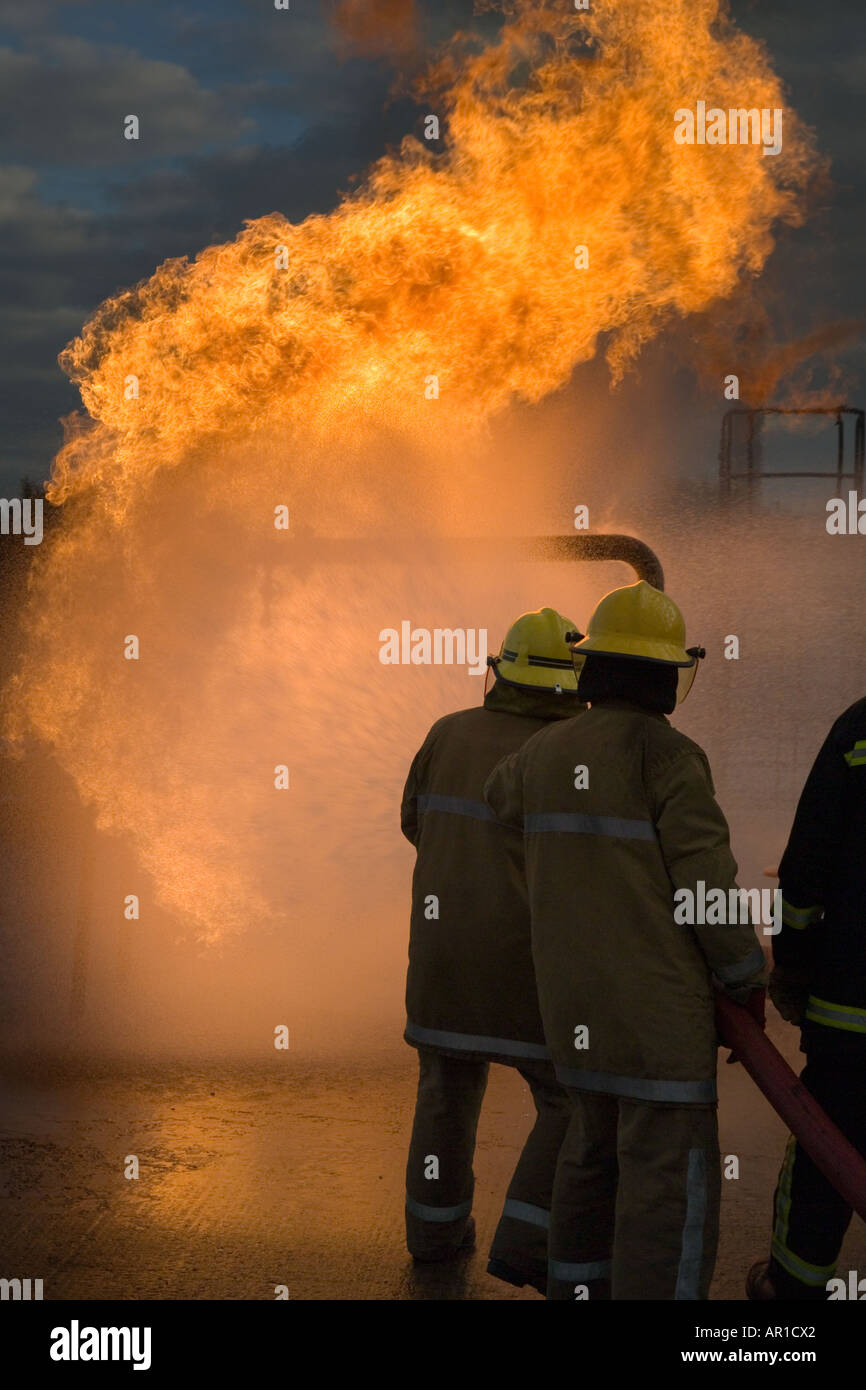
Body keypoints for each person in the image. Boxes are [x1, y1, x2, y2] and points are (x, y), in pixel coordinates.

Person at [484, 580, 767, 1300]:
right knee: (664, 1198)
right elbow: (706, 889)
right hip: (657, 1028)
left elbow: (498, 798)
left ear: (596, 668)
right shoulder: (670, 759)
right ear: (667, 677)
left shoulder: (540, 756)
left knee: (587, 1167)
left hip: (576, 1018)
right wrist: (744, 976)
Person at [402, 607, 583, 1293]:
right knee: (569, 1101)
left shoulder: (448, 733)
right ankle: (526, 1241)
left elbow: (413, 822)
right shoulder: (574, 752)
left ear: (499, 671)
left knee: (445, 1092)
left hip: (443, 960)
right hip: (531, 969)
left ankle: (435, 1235)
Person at [747, 697, 866, 1300]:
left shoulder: (858, 728)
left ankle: (790, 1299)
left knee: (827, 1152)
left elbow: (805, 868)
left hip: (852, 1016)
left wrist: (791, 966)